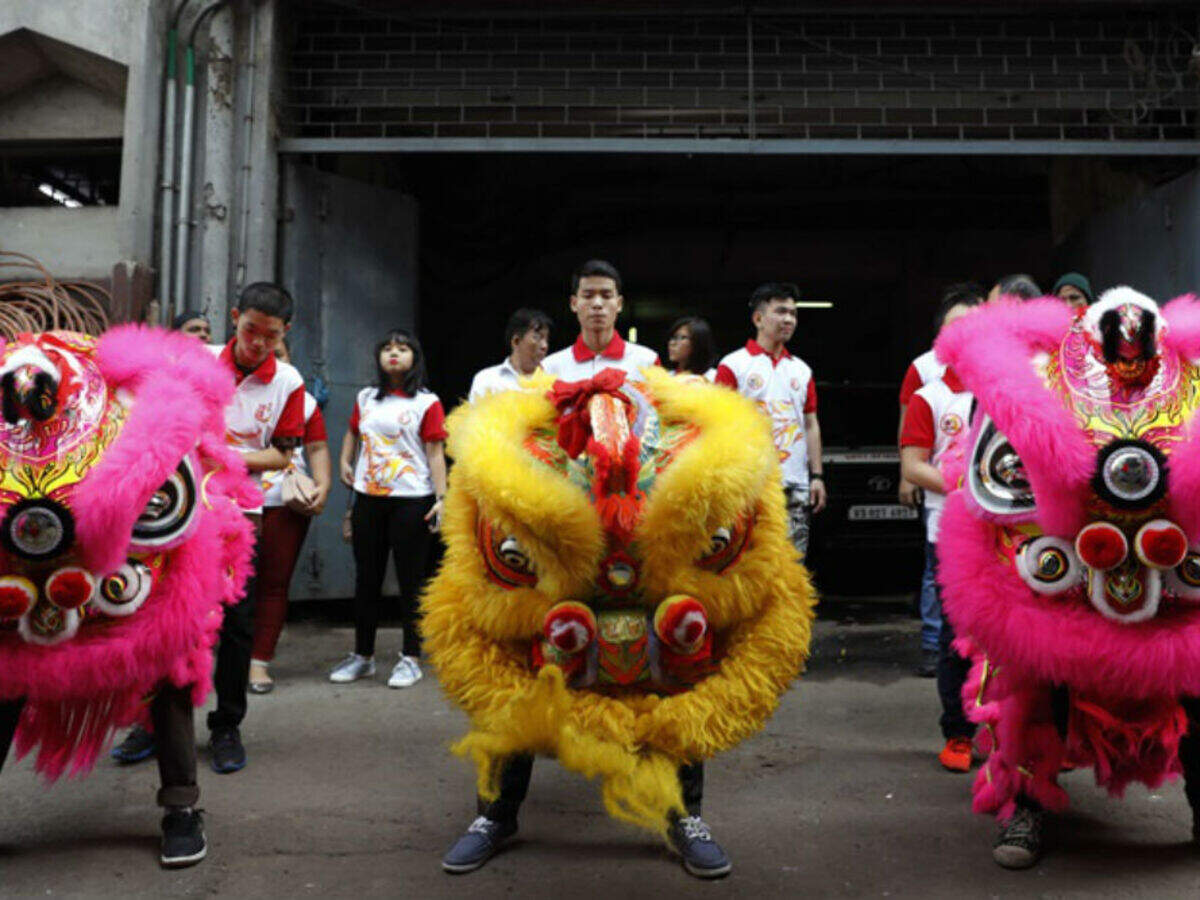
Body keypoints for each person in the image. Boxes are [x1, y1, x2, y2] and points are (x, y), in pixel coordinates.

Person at [332, 329, 447, 688]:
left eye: (402, 349)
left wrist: (442, 499)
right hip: (369, 498)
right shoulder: (366, 397)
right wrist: (345, 461)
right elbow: (353, 432)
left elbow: (435, 453)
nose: (394, 354)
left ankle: (411, 657)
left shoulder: (426, 403)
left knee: (411, 581)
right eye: (387, 348)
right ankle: (362, 656)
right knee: (367, 579)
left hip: (412, 500)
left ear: (415, 357)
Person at [898, 289, 984, 774]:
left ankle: (1003, 727)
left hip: (1007, 535)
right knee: (957, 638)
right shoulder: (930, 397)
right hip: (949, 534)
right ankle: (958, 731)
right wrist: (968, 485)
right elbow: (912, 466)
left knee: (1005, 642)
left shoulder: (1006, 390)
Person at [714, 282, 827, 558]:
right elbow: (718, 425)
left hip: (795, 485)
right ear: (758, 318)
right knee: (748, 565)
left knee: (791, 566)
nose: (789, 319)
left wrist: (817, 476)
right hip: (749, 485)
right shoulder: (733, 365)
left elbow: (811, 425)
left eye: (793, 313)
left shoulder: (802, 370)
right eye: (780, 312)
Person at [249, 341, 332, 693]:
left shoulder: (303, 399)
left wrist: (323, 486)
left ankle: (258, 664)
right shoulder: (233, 392)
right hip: (233, 499)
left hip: (285, 500)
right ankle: (213, 659)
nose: (272, 359)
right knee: (223, 585)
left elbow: (316, 448)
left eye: (280, 353)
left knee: (273, 583)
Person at [541, 259, 659, 381]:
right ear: (574, 303)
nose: (597, 304)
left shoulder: (647, 362)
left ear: (619, 304)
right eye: (588, 296)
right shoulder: (550, 368)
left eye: (606, 296)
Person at [467, 307, 551, 402]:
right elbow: (475, 416)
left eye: (546, 339)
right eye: (537, 337)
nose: (545, 345)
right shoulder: (487, 379)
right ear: (516, 341)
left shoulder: (553, 379)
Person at [665, 315, 716, 381]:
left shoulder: (714, 377)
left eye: (682, 337)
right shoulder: (666, 379)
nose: (672, 343)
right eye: (673, 338)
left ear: (698, 342)